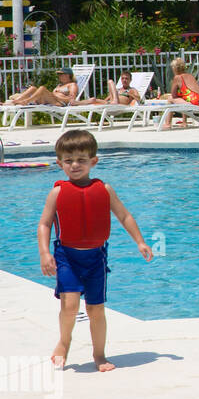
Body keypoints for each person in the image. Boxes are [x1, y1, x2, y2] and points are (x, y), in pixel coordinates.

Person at [37, 129, 153, 372]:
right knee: (69, 306)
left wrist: (140, 242)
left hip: (95, 257)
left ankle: (99, 354)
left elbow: (124, 216)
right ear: (59, 163)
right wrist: (45, 253)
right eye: (68, 160)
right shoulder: (57, 192)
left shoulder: (105, 189)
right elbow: (45, 224)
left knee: (96, 309)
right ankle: (64, 343)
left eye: (81, 159)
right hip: (67, 257)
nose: (75, 165)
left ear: (94, 161)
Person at [157, 57, 199, 129]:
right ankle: (184, 122)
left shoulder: (177, 77)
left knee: (170, 98)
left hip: (193, 103)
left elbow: (174, 95)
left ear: (174, 68)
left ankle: (167, 123)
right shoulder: (190, 76)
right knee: (184, 98)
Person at [5, 68, 78, 106]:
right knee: (33, 88)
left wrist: (56, 97)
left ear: (68, 75)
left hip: (59, 103)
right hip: (49, 101)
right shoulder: (59, 85)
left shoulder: (72, 85)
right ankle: (14, 101)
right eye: (59, 75)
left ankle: (25, 101)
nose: (59, 76)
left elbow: (71, 99)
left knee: (42, 88)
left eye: (61, 74)